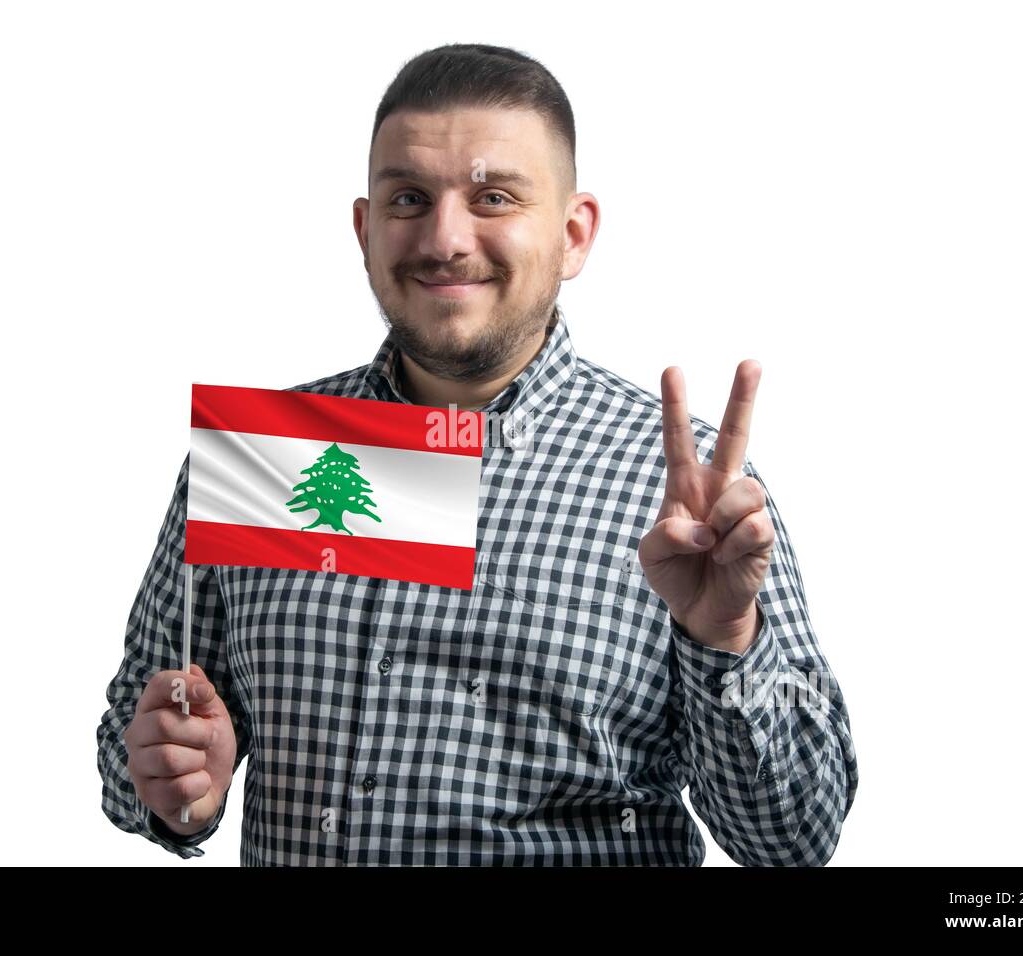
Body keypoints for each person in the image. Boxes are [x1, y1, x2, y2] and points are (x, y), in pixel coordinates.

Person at [97, 42, 858, 865]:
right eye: (409, 198)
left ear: (573, 235)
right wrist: (171, 781)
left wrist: (724, 639)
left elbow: (794, 839)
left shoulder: (686, 493)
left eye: (493, 197)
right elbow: (128, 749)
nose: (445, 238)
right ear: (364, 228)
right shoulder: (264, 456)